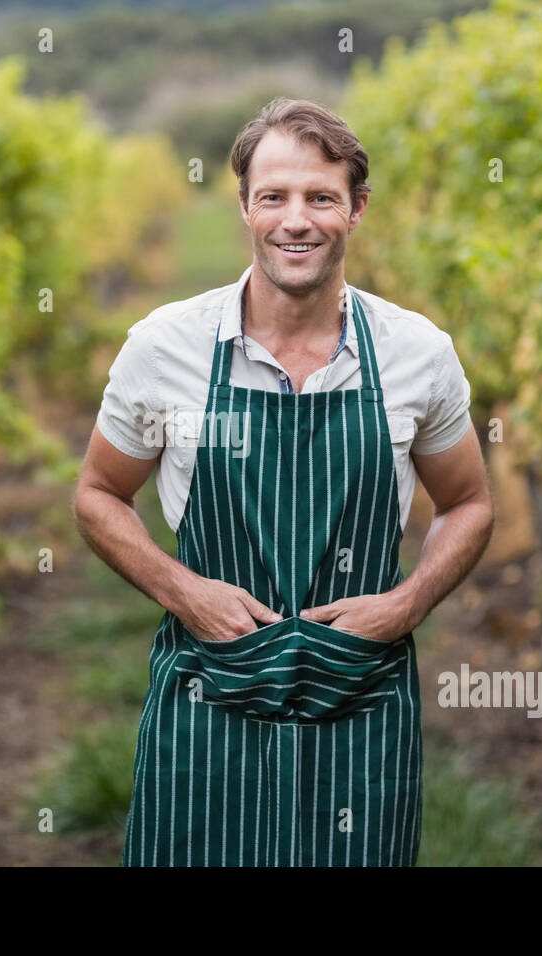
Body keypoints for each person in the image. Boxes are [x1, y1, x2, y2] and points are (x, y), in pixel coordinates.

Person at [73, 97, 494, 866]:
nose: (295, 220)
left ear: (357, 209)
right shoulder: (165, 348)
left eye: (320, 198)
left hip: (360, 701)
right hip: (209, 696)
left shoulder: (416, 354)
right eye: (274, 197)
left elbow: (468, 502)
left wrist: (408, 602)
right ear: (243, 206)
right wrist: (183, 592)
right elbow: (99, 495)